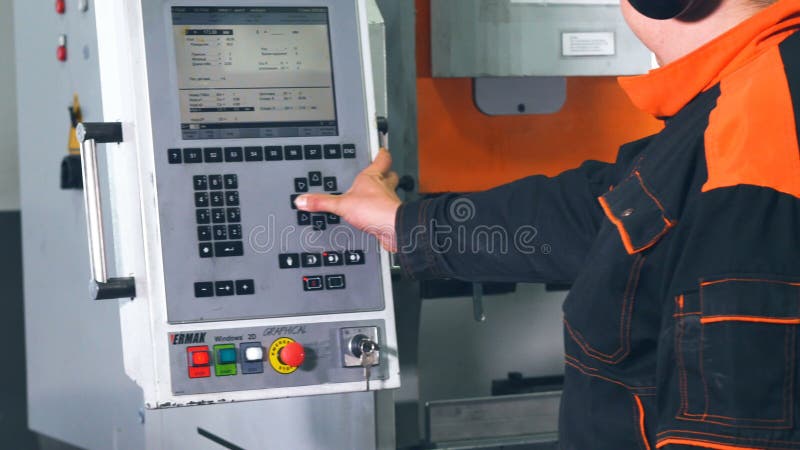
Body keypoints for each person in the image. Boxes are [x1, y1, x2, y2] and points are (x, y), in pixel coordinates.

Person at [297, 0, 800, 448]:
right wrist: (407, 225)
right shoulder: (749, 95)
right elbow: (612, 212)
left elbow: (737, 427)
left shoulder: (754, 148)